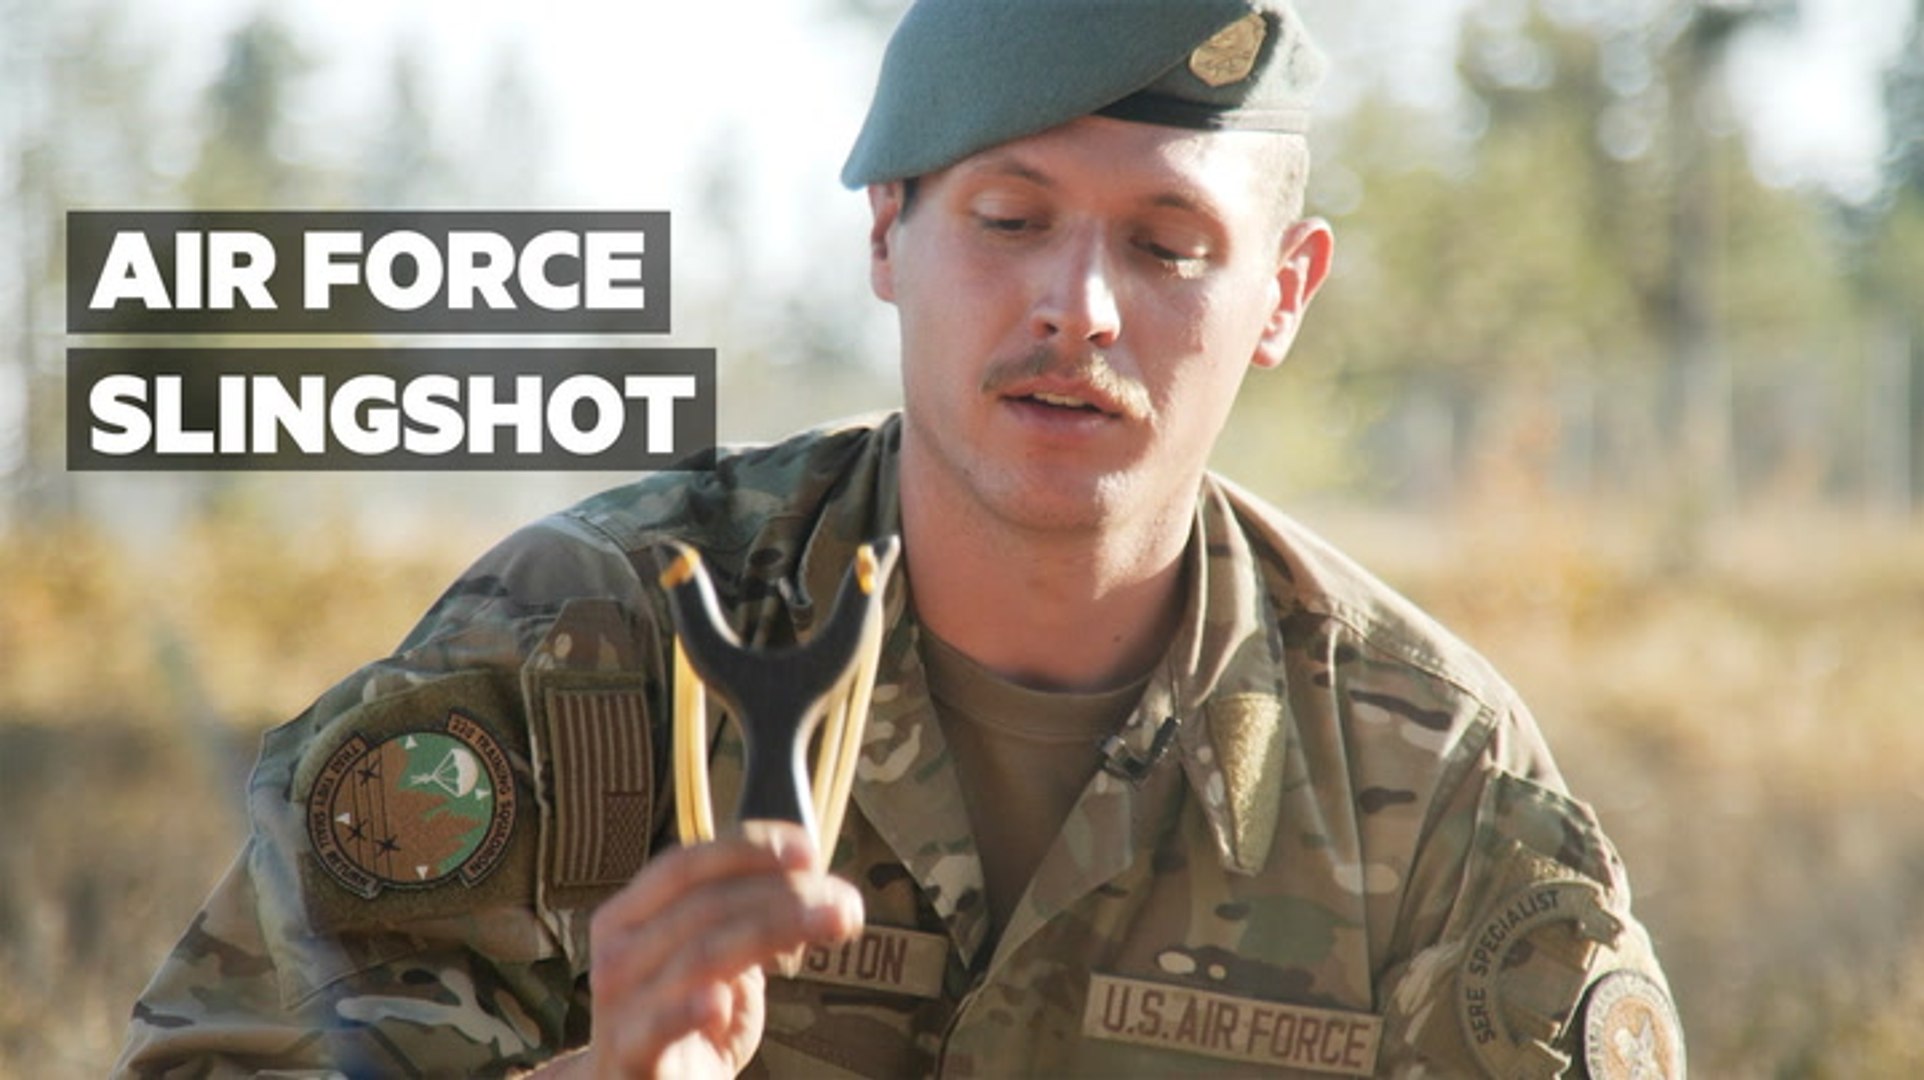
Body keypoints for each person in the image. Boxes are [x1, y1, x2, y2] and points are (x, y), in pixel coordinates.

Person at [117, 1, 1684, 1076]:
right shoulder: (590, 645)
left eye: (1169, 245)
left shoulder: (1429, 775)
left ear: (1283, 294)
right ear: (887, 233)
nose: (1079, 307)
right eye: (1011, 220)